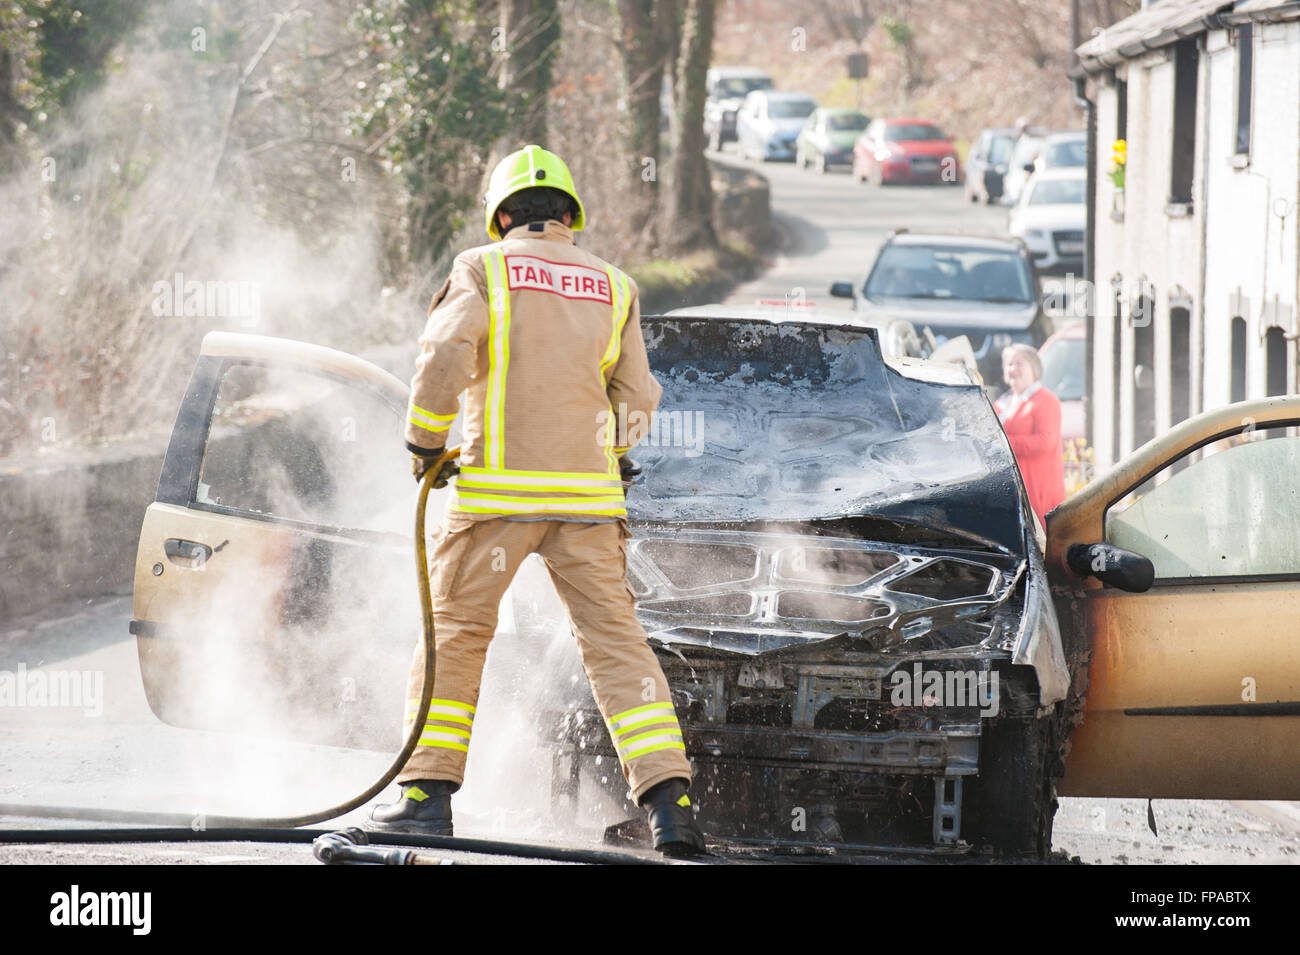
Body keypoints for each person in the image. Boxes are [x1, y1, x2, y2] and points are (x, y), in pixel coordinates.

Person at [368, 145, 705, 856]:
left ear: (502, 217)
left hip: (494, 499)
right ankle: (671, 810)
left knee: (456, 637)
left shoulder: (482, 268)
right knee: (616, 646)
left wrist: (425, 442)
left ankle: (426, 800)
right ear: (569, 217)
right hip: (586, 503)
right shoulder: (615, 285)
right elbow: (640, 396)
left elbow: (444, 352)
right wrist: (610, 450)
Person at [995, 343, 1066, 525]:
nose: (1013, 369)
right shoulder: (1003, 402)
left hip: (1037, 488)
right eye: (1009, 364)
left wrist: (1004, 443)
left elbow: (1045, 442)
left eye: (1019, 364)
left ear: (1033, 368)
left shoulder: (1045, 400)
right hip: (1011, 487)